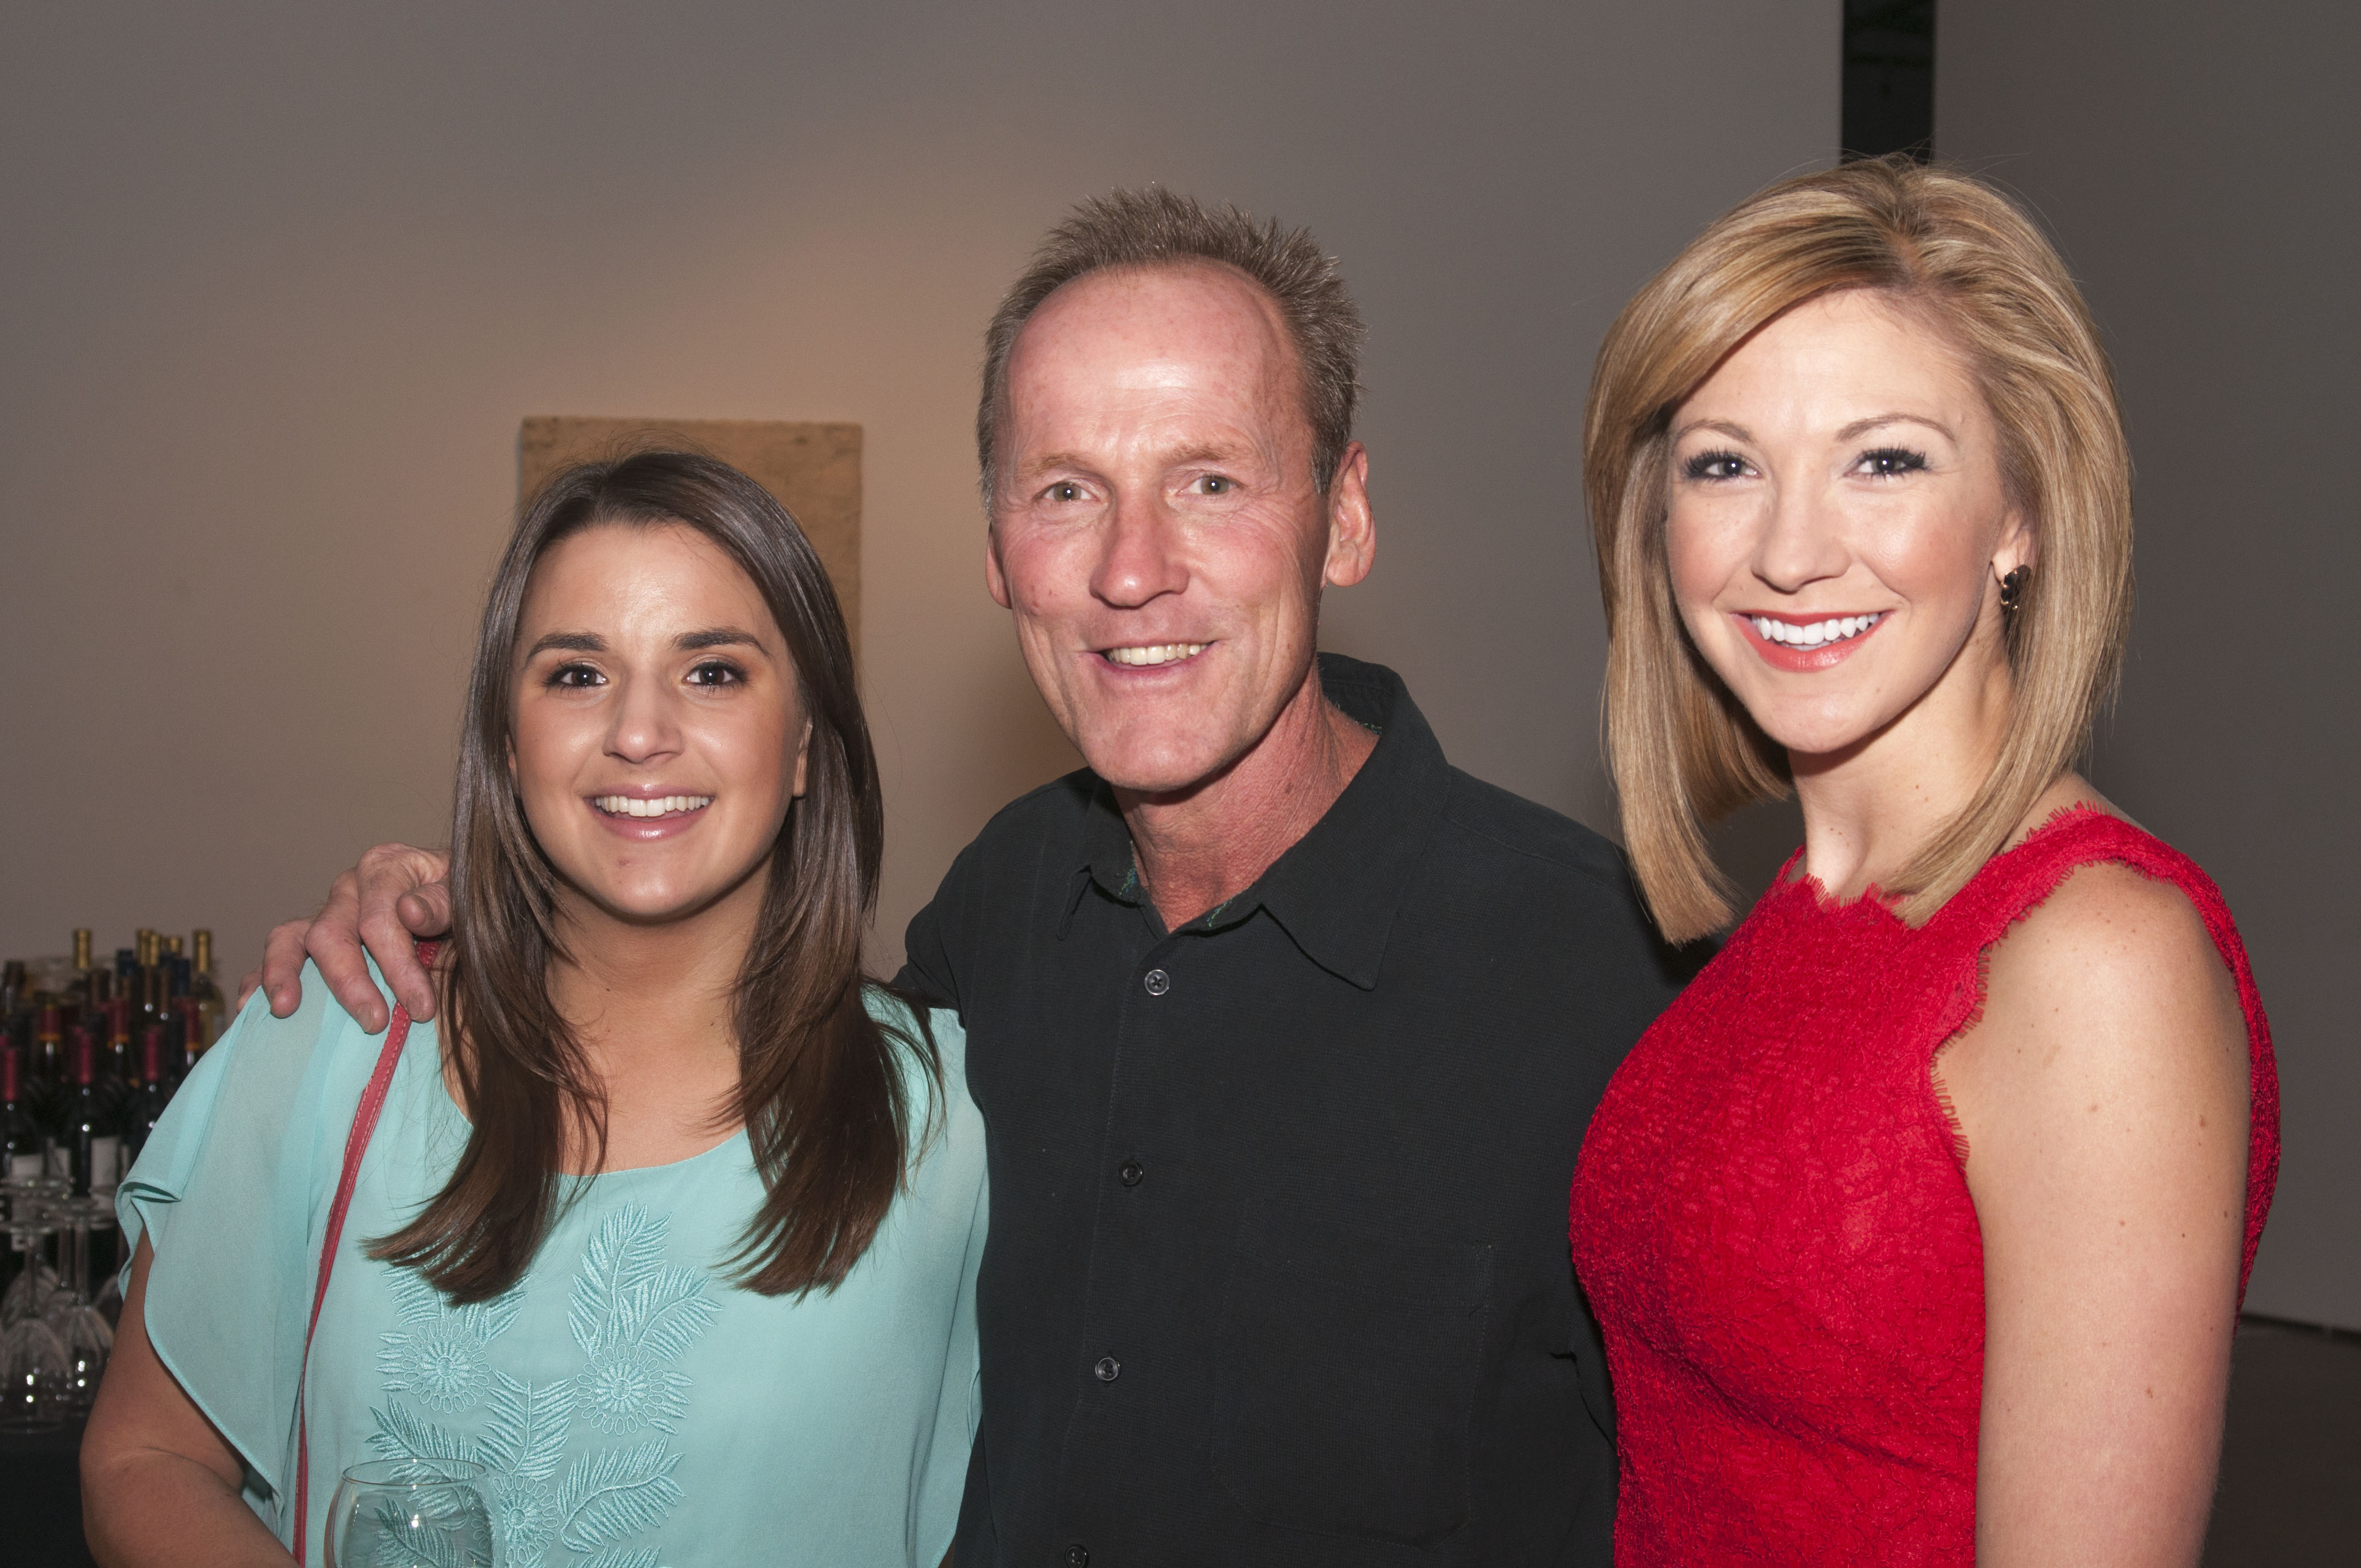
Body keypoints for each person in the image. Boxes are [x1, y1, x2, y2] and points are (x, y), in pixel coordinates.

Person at [249, 190, 1684, 1563]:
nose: (1133, 568)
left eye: (1209, 481)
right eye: (1069, 490)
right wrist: (474, 924)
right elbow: (729, 1087)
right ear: (1001, 550)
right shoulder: (1009, 902)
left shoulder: (1595, 980)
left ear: (1345, 515)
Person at [83, 453, 986, 1567]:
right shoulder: (332, 1035)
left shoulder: (956, 1120)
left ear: (802, 742)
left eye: (711, 671)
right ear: (509, 745)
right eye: (574, 674)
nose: (639, 731)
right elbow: (144, 1459)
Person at [1566, 156, 2280, 1566]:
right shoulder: (1793, 916)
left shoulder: (2092, 959)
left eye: (1881, 459)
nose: (1787, 549)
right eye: (1725, 465)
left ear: (2018, 512)